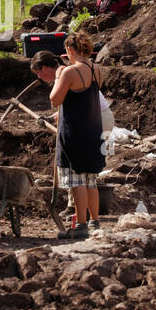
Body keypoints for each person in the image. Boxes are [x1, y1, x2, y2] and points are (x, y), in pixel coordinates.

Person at [47, 32, 106, 236]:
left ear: (70, 50)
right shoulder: (96, 70)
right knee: (91, 179)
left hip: (75, 131)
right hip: (93, 130)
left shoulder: (70, 72)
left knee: (76, 179)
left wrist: (57, 77)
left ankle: (81, 225)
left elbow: (55, 99)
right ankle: (94, 222)